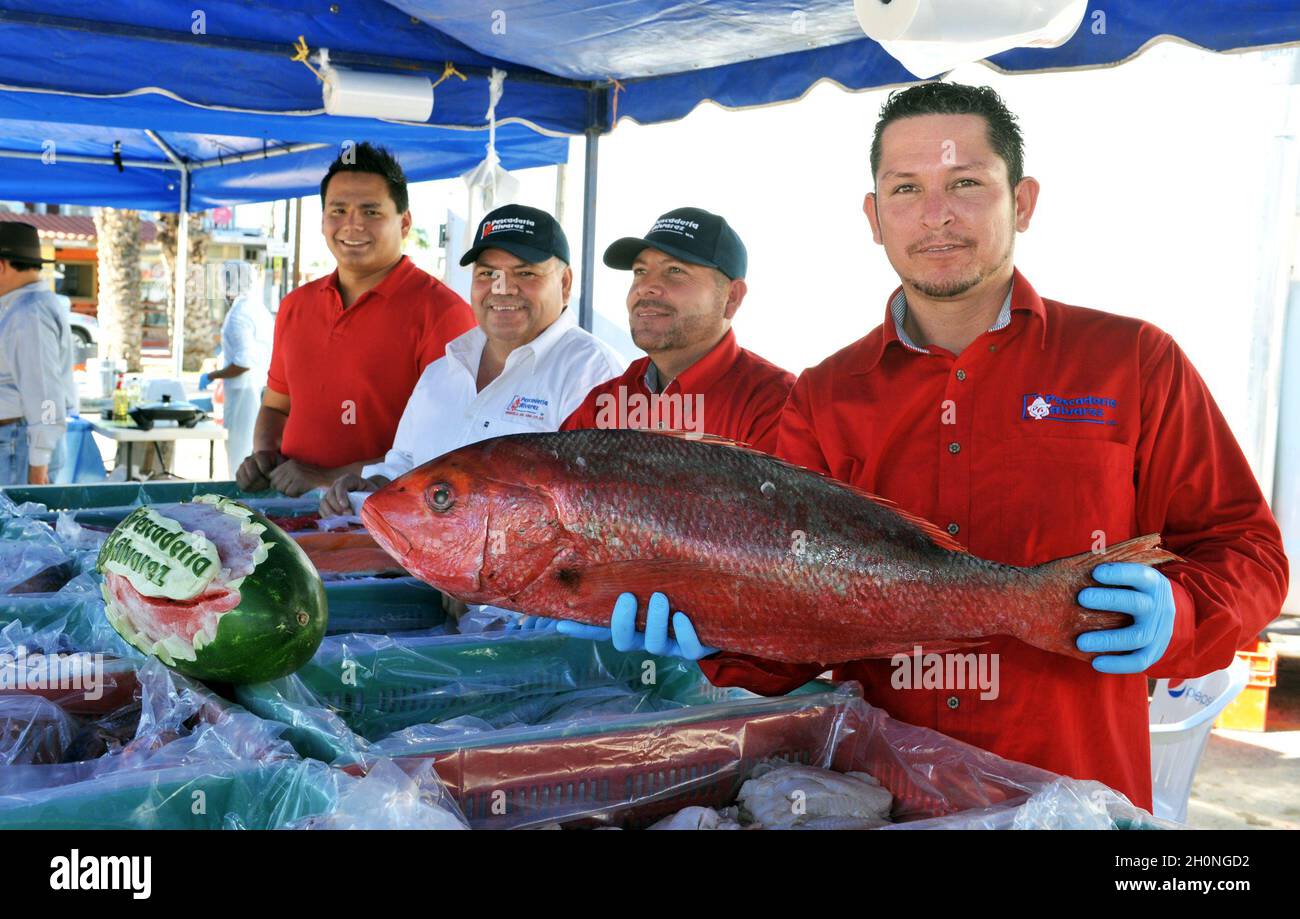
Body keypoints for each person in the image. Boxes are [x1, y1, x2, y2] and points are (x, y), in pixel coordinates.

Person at [559, 83, 1290, 813]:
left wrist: (1183, 613)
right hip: (885, 800)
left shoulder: (1132, 360)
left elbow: (1248, 549)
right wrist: (714, 632)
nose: (936, 214)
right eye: (906, 189)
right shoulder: (824, 395)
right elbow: (797, 615)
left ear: (1023, 202)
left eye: (966, 183)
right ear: (875, 218)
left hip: (1079, 796)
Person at [319, 204, 625, 515]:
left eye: (525, 273)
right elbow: (405, 463)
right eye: (488, 273)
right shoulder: (441, 372)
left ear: (564, 283)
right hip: (423, 559)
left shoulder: (595, 373)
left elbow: (602, 507)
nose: (502, 289)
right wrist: (373, 486)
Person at [235, 142, 475, 496]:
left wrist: (326, 476)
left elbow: (450, 449)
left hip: (385, 523)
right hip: (292, 515)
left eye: (371, 211)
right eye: (339, 210)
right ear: (322, 221)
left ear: (404, 222)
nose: (353, 224)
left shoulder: (443, 312)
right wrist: (264, 455)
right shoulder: (295, 305)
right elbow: (275, 405)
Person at [560, 207, 793, 451]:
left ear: (731, 297)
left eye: (675, 270)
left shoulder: (776, 404)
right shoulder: (605, 401)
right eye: (640, 271)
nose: (645, 287)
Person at [0, 222, 72, 487]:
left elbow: (45, 395)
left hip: (20, 447)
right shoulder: (22, 307)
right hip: (18, 445)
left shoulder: (28, 314)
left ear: (2, 266)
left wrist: (38, 466)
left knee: (15, 527)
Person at [200, 262, 275, 478]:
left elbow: (243, 362)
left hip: (244, 392)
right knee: (253, 455)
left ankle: (236, 505)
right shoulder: (258, 309)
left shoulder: (238, 316)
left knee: (239, 457)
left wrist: (212, 375)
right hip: (260, 386)